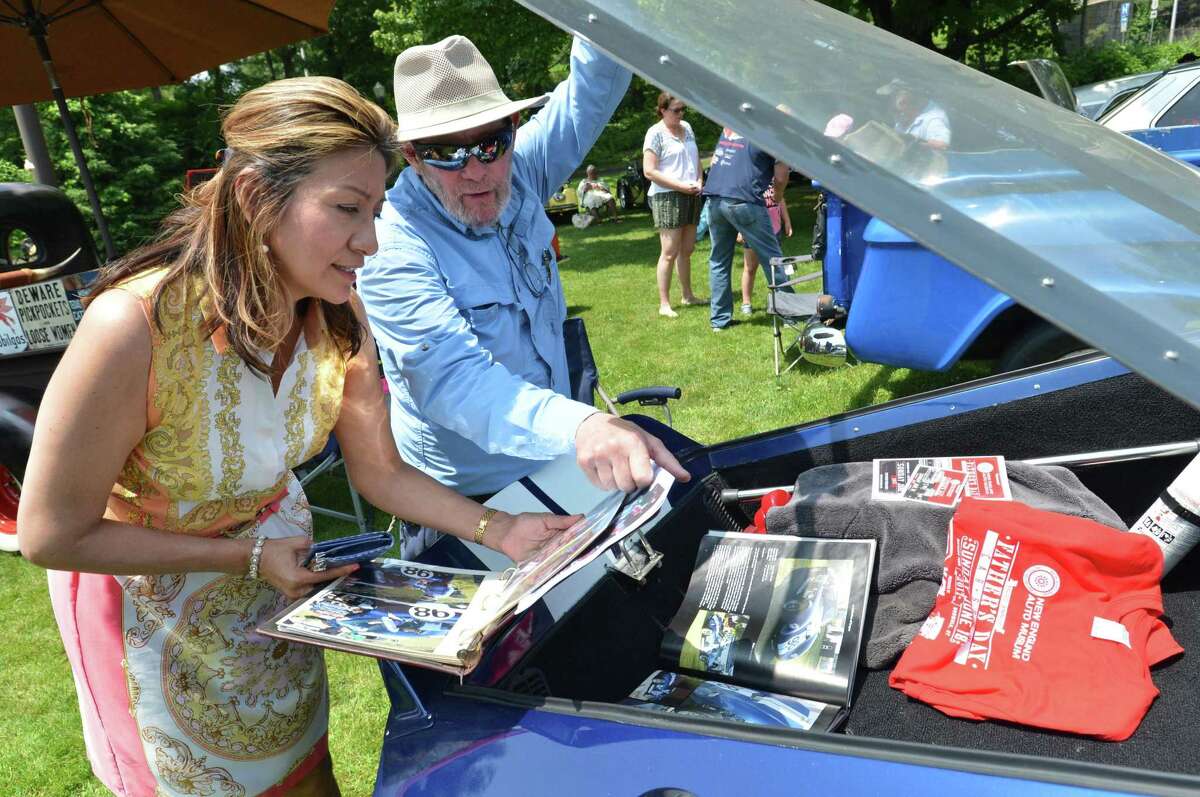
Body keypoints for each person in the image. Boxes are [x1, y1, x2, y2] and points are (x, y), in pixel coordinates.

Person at [16, 77, 578, 797]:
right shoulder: (132, 328)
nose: (370, 241)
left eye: (375, 211)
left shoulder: (337, 313)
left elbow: (380, 473)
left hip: (279, 606)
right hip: (153, 630)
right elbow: (51, 534)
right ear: (257, 197)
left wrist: (503, 529)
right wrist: (247, 555)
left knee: (306, 776)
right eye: (347, 209)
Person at [358, 35, 690, 522]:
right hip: (466, 507)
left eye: (490, 144)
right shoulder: (392, 245)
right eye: (446, 152)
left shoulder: (521, 171)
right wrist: (582, 426)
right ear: (411, 154)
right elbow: (454, 381)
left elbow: (594, 88)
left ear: (513, 130)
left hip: (558, 461)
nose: (476, 171)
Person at [702, 128, 792, 331]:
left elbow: (716, 161)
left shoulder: (732, 125)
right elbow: (780, 177)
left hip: (714, 198)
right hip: (745, 200)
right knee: (773, 259)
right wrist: (777, 197)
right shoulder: (774, 133)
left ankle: (719, 321)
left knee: (718, 260)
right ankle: (791, 315)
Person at [643, 92, 703, 317]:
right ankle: (664, 304)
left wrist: (699, 180)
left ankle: (687, 295)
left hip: (691, 193)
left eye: (683, 109)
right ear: (662, 110)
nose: (681, 114)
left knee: (687, 250)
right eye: (676, 110)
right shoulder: (655, 133)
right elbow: (649, 171)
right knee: (669, 252)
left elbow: (695, 159)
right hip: (668, 196)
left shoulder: (687, 127)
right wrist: (680, 186)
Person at [738, 182, 792, 315]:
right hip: (753, 230)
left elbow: (781, 199)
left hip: (774, 230)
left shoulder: (775, 179)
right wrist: (740, 229)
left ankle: (782, 302)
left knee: (777, 268)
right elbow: (741, 204)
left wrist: (787, 221)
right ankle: (746, 302)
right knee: (750, 267)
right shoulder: (750, 179)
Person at [879, 79, 951, 150]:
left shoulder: (934, 120)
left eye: (891, 98)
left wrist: (916, 142)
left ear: (903, 101)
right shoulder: (904, 113)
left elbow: (942, 146)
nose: (889, 105)